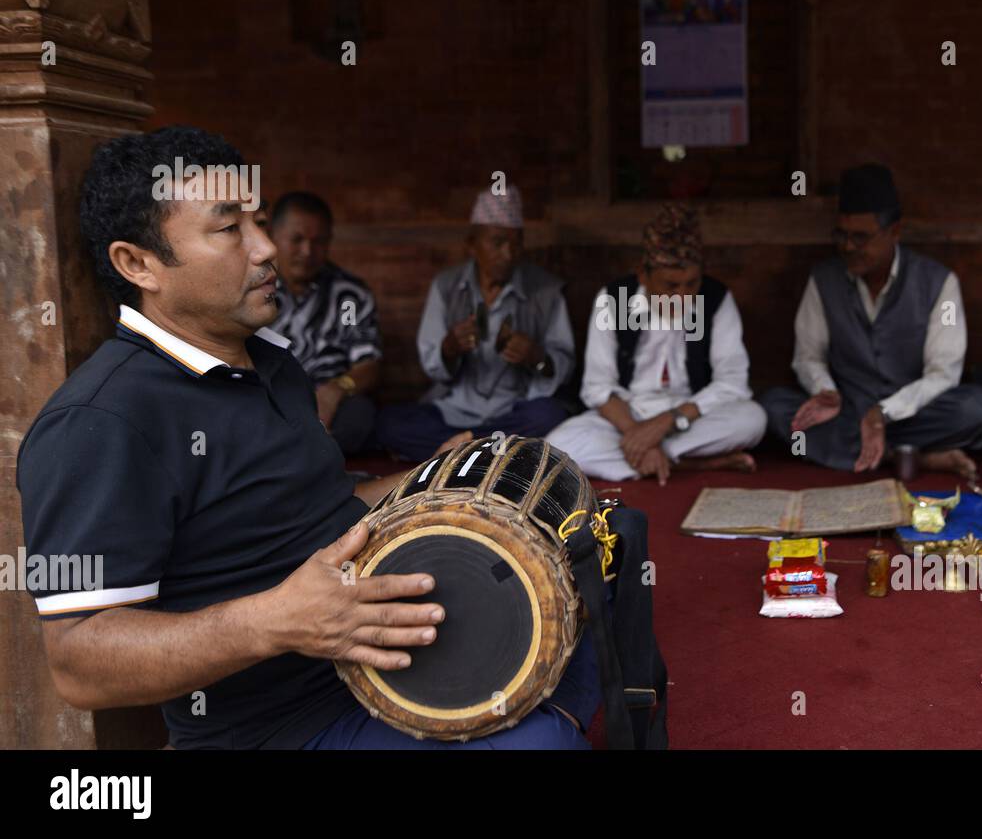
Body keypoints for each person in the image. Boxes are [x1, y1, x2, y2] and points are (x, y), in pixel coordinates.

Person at [17, 127, 596, 749]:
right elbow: (77, 660)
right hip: (286, 729)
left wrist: (434, 475)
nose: (265, 248)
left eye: (258, 221)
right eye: (228, 229)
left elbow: (319, 504)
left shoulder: (272, 362)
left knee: (584, 579)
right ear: (138, 264)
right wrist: (273, 623)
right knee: (541, 739)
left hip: (374, 659)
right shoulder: (102, 420)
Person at [761, 163, 982, 479]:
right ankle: (910, 457)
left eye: (860, 238)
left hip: (908, 413)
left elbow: (943, 373)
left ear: (894, 231)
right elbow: (808, 356)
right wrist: (825, 391)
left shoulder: (939, 283)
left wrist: (883, 414)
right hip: (846, 411)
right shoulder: (823, 280)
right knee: (773, 407)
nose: (847, 247)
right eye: (841, 235)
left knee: (977, 410)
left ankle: (873, 448)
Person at [547, 203, 766, 485]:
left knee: (753, 420)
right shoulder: (612, 300)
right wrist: (638, 434)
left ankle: (655, 458)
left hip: (688, 415)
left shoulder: (716, 298)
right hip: (628, 415)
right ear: (643, 274)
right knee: (560, 448)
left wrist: (666, 423)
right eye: (671, 286)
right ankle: (689, 463)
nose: (682, 296)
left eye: (691, 284)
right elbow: (597, 386)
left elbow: (733, 381)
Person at [374, 185, 574, 462]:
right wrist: (449, 348)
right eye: (498, 242)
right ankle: (495, 452)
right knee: (389, 423)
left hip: (516, 410)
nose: (509, 253)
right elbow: (432, 362)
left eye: (517, 243)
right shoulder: (446, 286)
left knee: (551, 415)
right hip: (455, 412)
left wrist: (537, 357)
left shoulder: (546, 291)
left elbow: (563, 362)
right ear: (472, 244)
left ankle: (457, 453)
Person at [267, 191, 383, 454]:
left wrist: (336, 390)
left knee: (361, 416)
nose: (307, 251)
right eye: (297, 240)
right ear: (273, 236)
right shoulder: (253, 288)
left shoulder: (350, 295)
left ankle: (300, 452)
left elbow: (369, 364)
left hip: (332, 405)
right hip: (269, 398)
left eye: (318, 241)